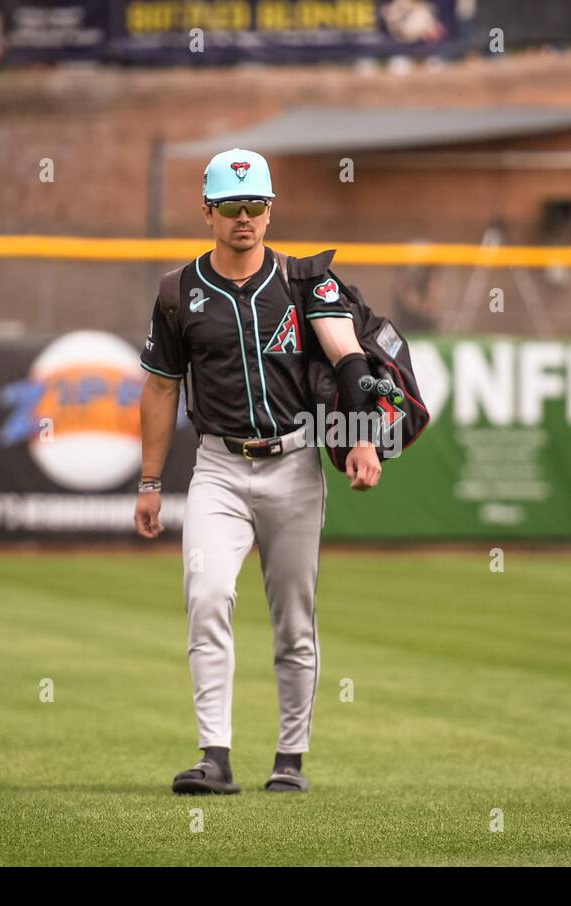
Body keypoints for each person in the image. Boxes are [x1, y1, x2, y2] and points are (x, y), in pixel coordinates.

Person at [133, 148, 382, 795]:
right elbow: (160, 388)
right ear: (208, 212)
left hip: (294, 464)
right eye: (231, 208)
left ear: (270, 211)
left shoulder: (304, 282)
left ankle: (290, 759)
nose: (245, 218)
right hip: (218, 465)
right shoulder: (177, 292)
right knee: (207, 595)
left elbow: (348, 360)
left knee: (293, 619)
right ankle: (214, 756)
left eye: (256, 206)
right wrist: (151, 482)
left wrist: (362, 441)